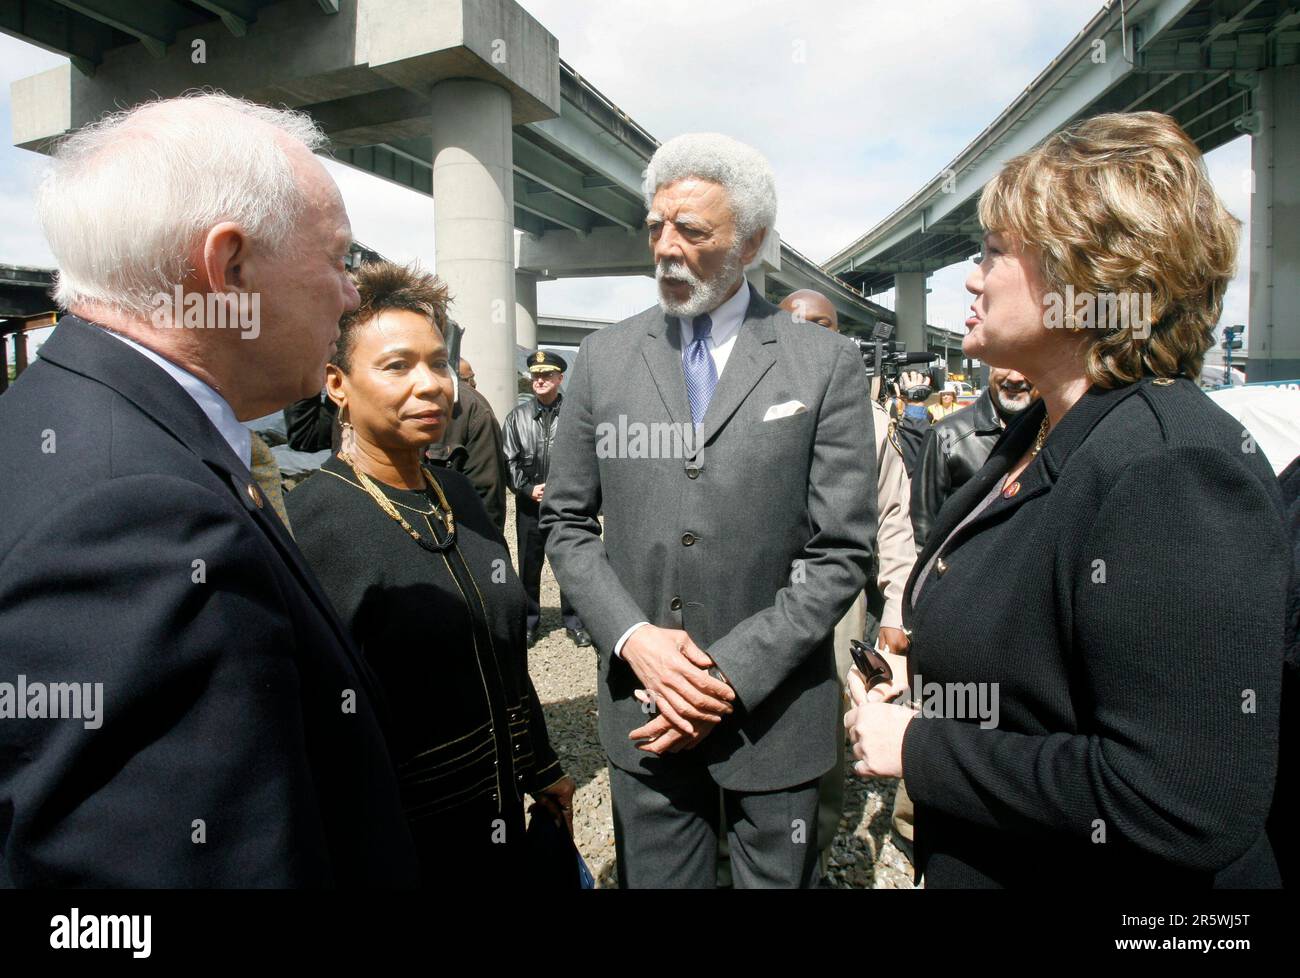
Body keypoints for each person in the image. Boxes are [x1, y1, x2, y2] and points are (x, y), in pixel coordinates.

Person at [845, 111, 1288, 888]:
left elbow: (1182, 801)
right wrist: (929, 684)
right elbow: (1054, 673)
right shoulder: (1045, 433)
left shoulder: (1168, 468)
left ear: (1085, 275)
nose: (971, 278)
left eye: (993, 253)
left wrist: (919, 747)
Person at [0, 93, 417, 887]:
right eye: (339, 257)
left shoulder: (60, 424)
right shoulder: (139, 519)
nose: (354, 293)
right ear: (228, 269)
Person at [542, 133, 876, 888]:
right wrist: (635, 641)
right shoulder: (601, 358)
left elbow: (842, 552)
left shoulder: (823, 363)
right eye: (656, 226)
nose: (665, 247)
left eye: (691, 231)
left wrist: (726, 674)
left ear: (752, 242)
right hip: (644, 718)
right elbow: (565, 522)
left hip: (777, 720)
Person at [284, 261, 575, 887]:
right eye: (397, 366)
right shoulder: (312, 524)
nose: (432, 386)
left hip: (500, 827)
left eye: (438, 363)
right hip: (400, 848)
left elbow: (503, 653)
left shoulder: (458, 495)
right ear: (337, 383)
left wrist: (540, 762)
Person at [778, 289, 916, 872]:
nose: (810, 332)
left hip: (836, 602)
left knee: (829, 709)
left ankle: (812, 843)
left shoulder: (876, 424)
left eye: (824, 325)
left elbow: (893, 522)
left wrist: (896, 615)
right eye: (797, 323)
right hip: (752, 592)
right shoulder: (731, 405)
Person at [503, 351, 590, 648]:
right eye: (536, 375)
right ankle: (529, 622)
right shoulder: (516, 417)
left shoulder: (576, 415)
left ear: (559, 379)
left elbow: (585, 459)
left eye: (546, 375)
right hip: (530, 507)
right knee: (529, 566)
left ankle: (575, 622)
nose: (539, 380)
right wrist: (527, 489)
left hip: (567, 506)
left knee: (571, 563)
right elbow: (508, 461)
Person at [911, 368, 1036, 549]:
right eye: (1006, 362)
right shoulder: (946, 435)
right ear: (991, 367)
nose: (1015, 377)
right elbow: (922, 531)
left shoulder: (1060, 428)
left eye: (1025, 363)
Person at [425, 355, 508, 533]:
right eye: (470, 379)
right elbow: (489, 496)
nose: (475, 384)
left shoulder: (475, 410)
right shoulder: (474, 409)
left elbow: (486, 489)